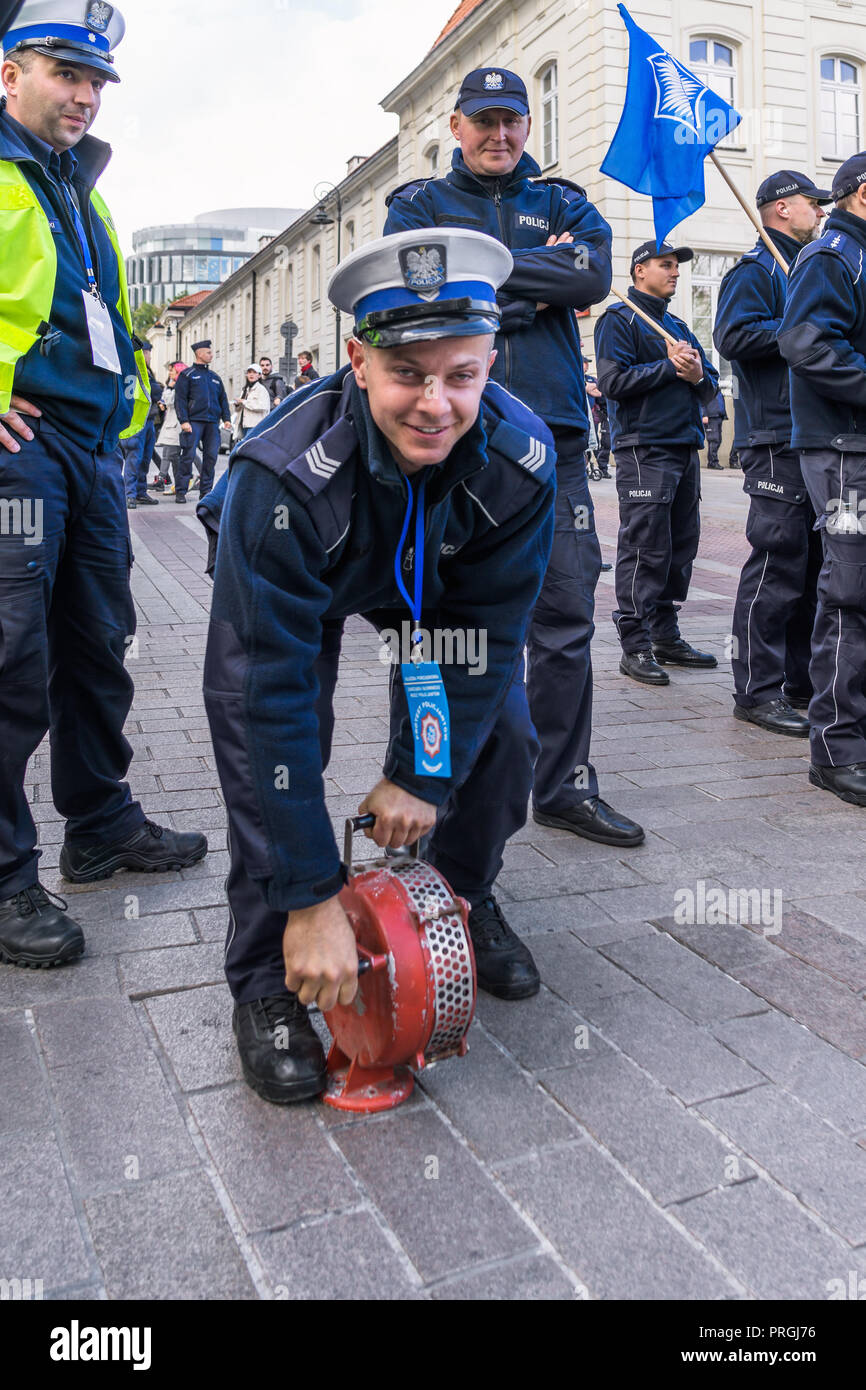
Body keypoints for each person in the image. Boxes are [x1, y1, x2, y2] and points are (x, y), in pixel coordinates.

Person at [196, 227, 556, 1102]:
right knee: (287, 745)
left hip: (432, 592)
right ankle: (265, 975)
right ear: (358, 360)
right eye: (407, 373)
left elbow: (480, 644)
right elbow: (262, 702)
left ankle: (458, 903)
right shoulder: (279, 478)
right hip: (311, 567)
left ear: (491, 362)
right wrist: (315, 892)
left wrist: (419, 776)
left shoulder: (518, 465)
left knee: (501, 732)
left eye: (462, 375)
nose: (435, 404)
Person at [383, 65, 644, 985]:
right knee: (440, 633)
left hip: (554, 443)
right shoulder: (417, 200)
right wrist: (530, 287)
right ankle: (434, 800)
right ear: (455, 124)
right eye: (484, 119)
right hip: (447, 440)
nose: (500, 132)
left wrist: (484, 279)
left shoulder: (565, 200)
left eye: (513, 119)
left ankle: (564, 784)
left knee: (566, 617)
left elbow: (593, 277)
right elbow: (414, 290)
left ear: (529, 124)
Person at [0, 1, 208, 970]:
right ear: (9, 71)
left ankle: (99, 822)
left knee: (97, 639)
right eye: (61, 71)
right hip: (19, 443)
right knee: (9, 657)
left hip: (86, 450)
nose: (83, 93)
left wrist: (121, 440)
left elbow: (107, 321)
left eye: (95, 79)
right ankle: (4, 875)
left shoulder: (80, 189)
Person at [714, 171, 830, 737]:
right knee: (776, 564)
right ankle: (755, 690)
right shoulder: (757, 269)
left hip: (811, 435)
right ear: (782, 208)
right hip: (773, 437)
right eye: (814, 204)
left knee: (811, 568)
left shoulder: (807, 266)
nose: (822, 213)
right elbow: (732, 337)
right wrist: (798, 326)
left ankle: (799, 682)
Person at [779, 152, 866, 804]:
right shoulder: (834, 253)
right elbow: (807, 344)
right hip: (842, 450)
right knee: (849, 593)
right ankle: (835, 747)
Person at [594, 240, 720, 686]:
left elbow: (709, 377)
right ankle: (635, 642)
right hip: (645, 448)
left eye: (677, 267)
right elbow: (611, 382)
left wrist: (697, 374)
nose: (675, 273)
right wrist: (669, 369)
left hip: (684, 445)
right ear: (638, 270)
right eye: (665, 265)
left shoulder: (677, 324)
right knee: (645, 546)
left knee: (680, 546)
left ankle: (665, 634)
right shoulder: (620, 319)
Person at [173, 339, 230, 503]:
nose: (211, 355)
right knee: (188, 456)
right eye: (208, 352)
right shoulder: (187, 375)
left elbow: (223, 400)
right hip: (193, 422)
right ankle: (181, 491)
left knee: (211, 457)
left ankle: (206, 492)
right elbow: (180, 400)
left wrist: (226, 418)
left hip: (212, 423)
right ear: (199, 354)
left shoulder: (215, 378)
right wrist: (184, 420)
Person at [121, 340, 161, 508]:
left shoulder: (146, 372)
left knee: (144, 459)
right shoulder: (132, 369)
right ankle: (129, 494)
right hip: (138, 420)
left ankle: (141, 492)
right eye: (146, 352)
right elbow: (155, 391)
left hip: (149, 419)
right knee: (134, 458)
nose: (148, 356)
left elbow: (156, 392)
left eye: (148, 353)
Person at [150, 360, 185, 492]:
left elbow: (170, 401)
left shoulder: (179, 386)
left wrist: (169, 388)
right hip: (171, 424)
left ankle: (162, 479)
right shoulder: (175, 384)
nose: (169, 372)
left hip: (176, 425)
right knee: (173, 457)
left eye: (172, 370)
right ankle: (178, 485)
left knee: (170, 455)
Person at [232, 363, 270, 440]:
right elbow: (239, 410)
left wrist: (244, 402)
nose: (251, 375)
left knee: (252, 449)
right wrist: (237, 404)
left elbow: (262, 406)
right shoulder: (245, 390)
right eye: (249, 372)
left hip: (255, 426)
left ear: (259, 375)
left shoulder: (261, 389)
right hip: (244, 425)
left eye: (254, 372)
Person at [702, 388, 727, 469]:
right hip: (711, 417)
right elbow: (702, 402)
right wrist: (704, 415)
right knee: (714, 440)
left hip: (719, 417)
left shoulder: (718, 389)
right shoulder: (708, 388)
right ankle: (713, 462)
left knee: (718, 440)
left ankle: (712, 461)